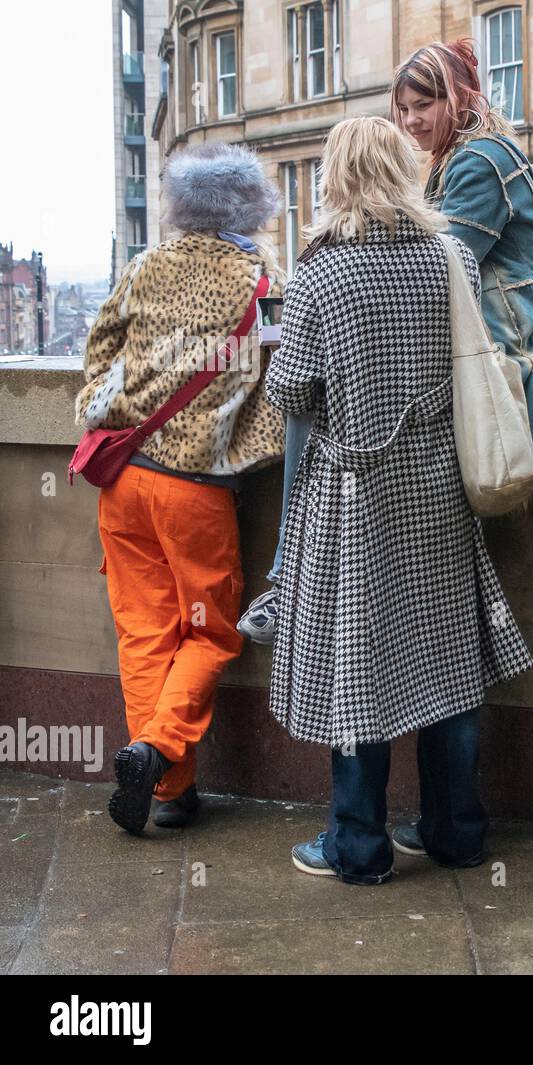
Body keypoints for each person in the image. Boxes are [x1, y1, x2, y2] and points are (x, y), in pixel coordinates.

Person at [267, 115, 533, 884]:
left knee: (359, 666)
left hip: (356, 499)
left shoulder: (321, 274)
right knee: (447, 660)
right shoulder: (447, 256)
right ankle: (456, 831)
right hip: (439, 490)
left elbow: (289, 389)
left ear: (337, 177)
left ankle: (358, 845)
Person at [238, 37, 533, 644]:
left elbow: (447, 269)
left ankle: (285, 577)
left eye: (422, 105)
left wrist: (335, 270)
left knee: (309, 414)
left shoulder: (475, 161)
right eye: (401, 109)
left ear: (457, 98)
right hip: (468, 346)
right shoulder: (461, 154)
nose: (410, 120)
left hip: (497, 341)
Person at [75, 142, 285, 834]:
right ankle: (157, 750)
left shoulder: (143, 267)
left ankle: (169, 792)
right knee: (209, 631)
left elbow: (99, 350)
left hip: (124, 481)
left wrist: (116, 404)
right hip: (195, 491)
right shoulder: (259, 279)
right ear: (250, 207)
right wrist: (233, 446)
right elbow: (280, 391)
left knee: (143, 633)